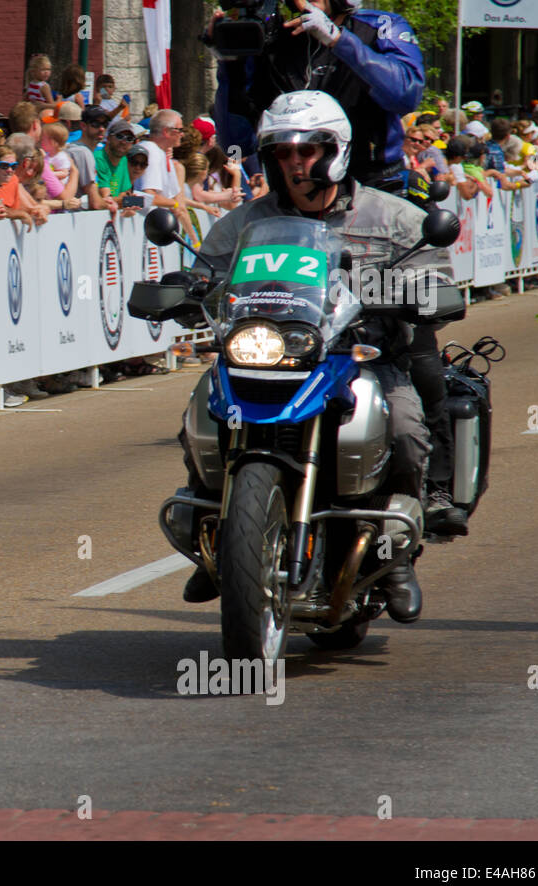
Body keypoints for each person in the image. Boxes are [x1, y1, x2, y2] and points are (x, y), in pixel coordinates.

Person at [179, 90, 442, 623]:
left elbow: (436, 279)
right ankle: (219, 539)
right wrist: (181, 291)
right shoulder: (245, 222)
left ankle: (395, 556)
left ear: (336, 150)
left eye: (307, 149)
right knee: (200, 418)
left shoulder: (392, 216)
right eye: (283, 152)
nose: (295, 162)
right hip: (266, 356)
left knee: (406, 431)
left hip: (362, 357)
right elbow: (203, 276)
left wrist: (422, 293)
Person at [210, 0, 424, 193]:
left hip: (372, 187)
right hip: (294, 197)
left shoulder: (380, 26)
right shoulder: (274, 38)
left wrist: (338, 40)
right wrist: (230, 65)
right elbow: (235, 147)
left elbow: (406, 96)